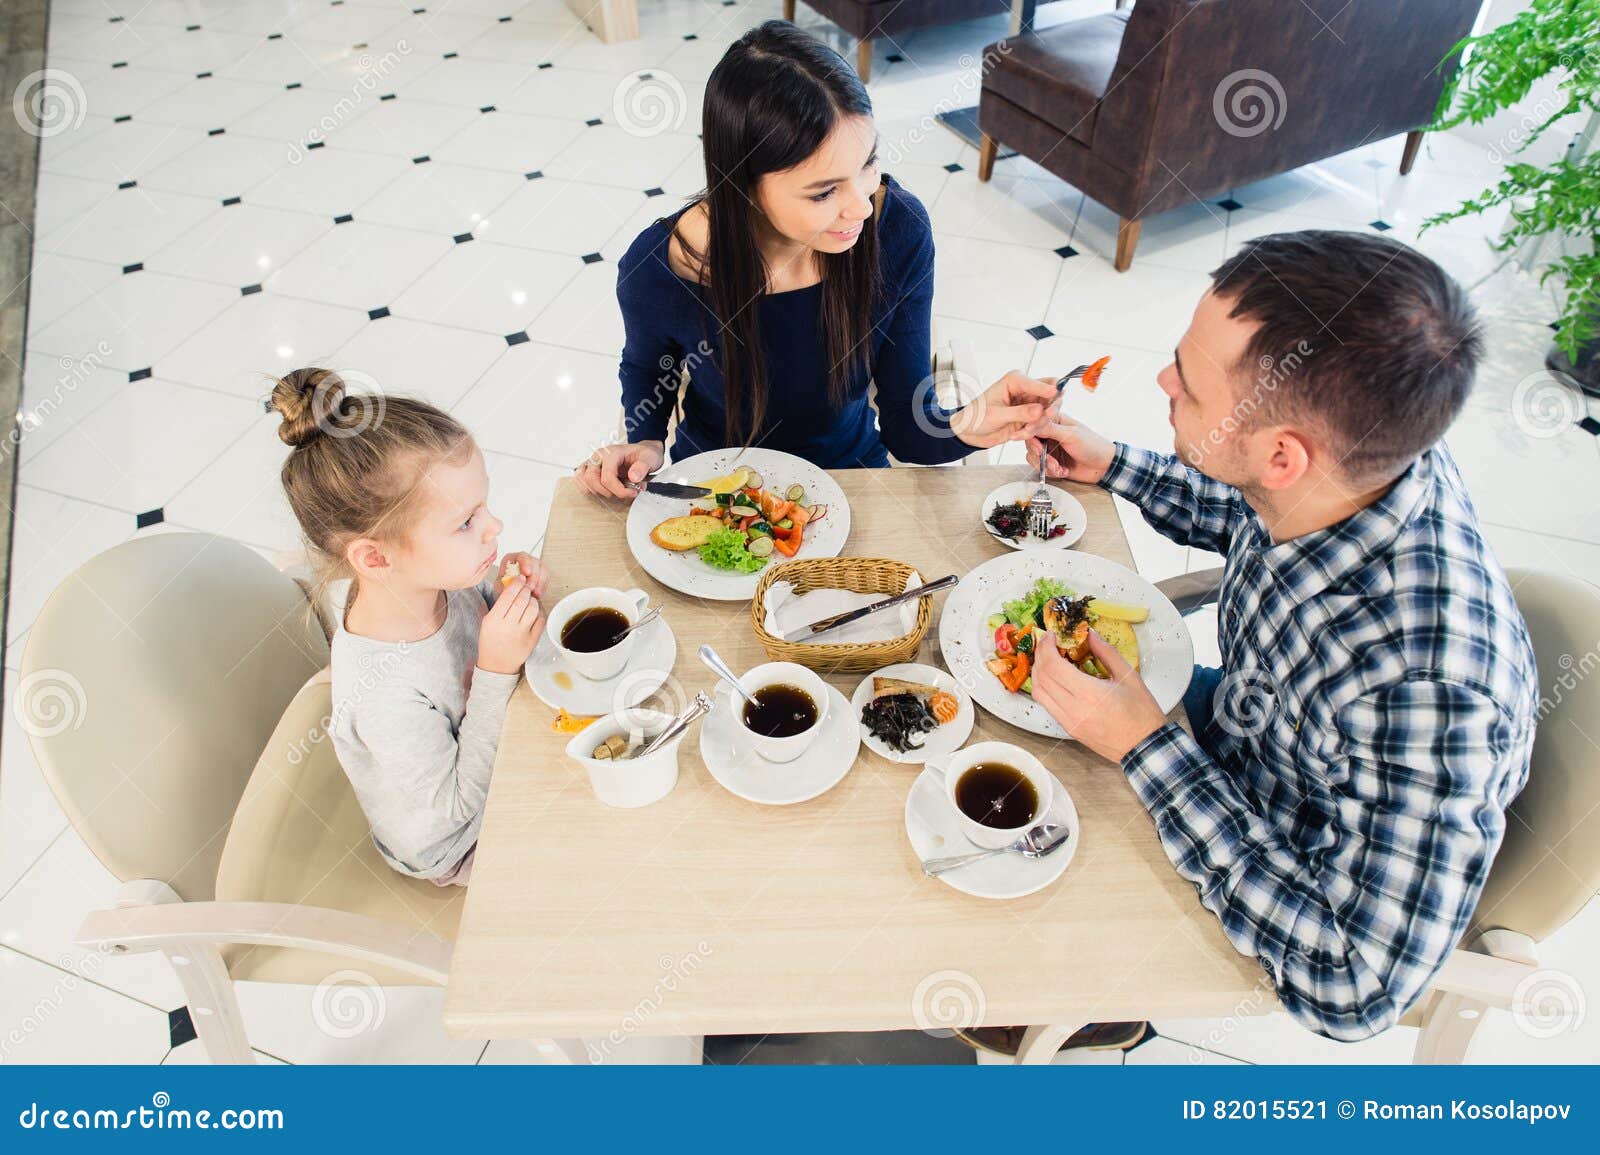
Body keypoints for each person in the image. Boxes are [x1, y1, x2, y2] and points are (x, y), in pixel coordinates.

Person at [1015, 230, 1539, 1047]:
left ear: (1284, 454)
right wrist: (1119, 464)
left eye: (1186, 385)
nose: (1162, 381)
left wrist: (1145, 745)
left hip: (1272, 864)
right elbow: (1253, 508)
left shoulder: (1429, 693)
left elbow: (1352, 982)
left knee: (998, 914)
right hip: (1230, 739)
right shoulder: (1363, 467)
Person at [575, 19, 1057, 499]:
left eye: (868, 162)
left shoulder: (898, 231)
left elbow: (907, 431)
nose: (862, 208)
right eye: (824, 191)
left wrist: (971, 424)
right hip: (713, 489)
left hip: (850, 482)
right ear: (743, 187)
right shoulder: (662, 267)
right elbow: (648, 366)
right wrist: (645, 440)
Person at [271, 368, 549, 887]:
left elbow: (476, 602)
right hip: (460, 841)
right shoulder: (385, 698)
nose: (494, 527)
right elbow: (456, 807)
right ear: (376, 558)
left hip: (494, 753)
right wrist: (495, 669)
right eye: (466, 523)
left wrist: (506, 589)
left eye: (483, 507)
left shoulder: (426, 577)